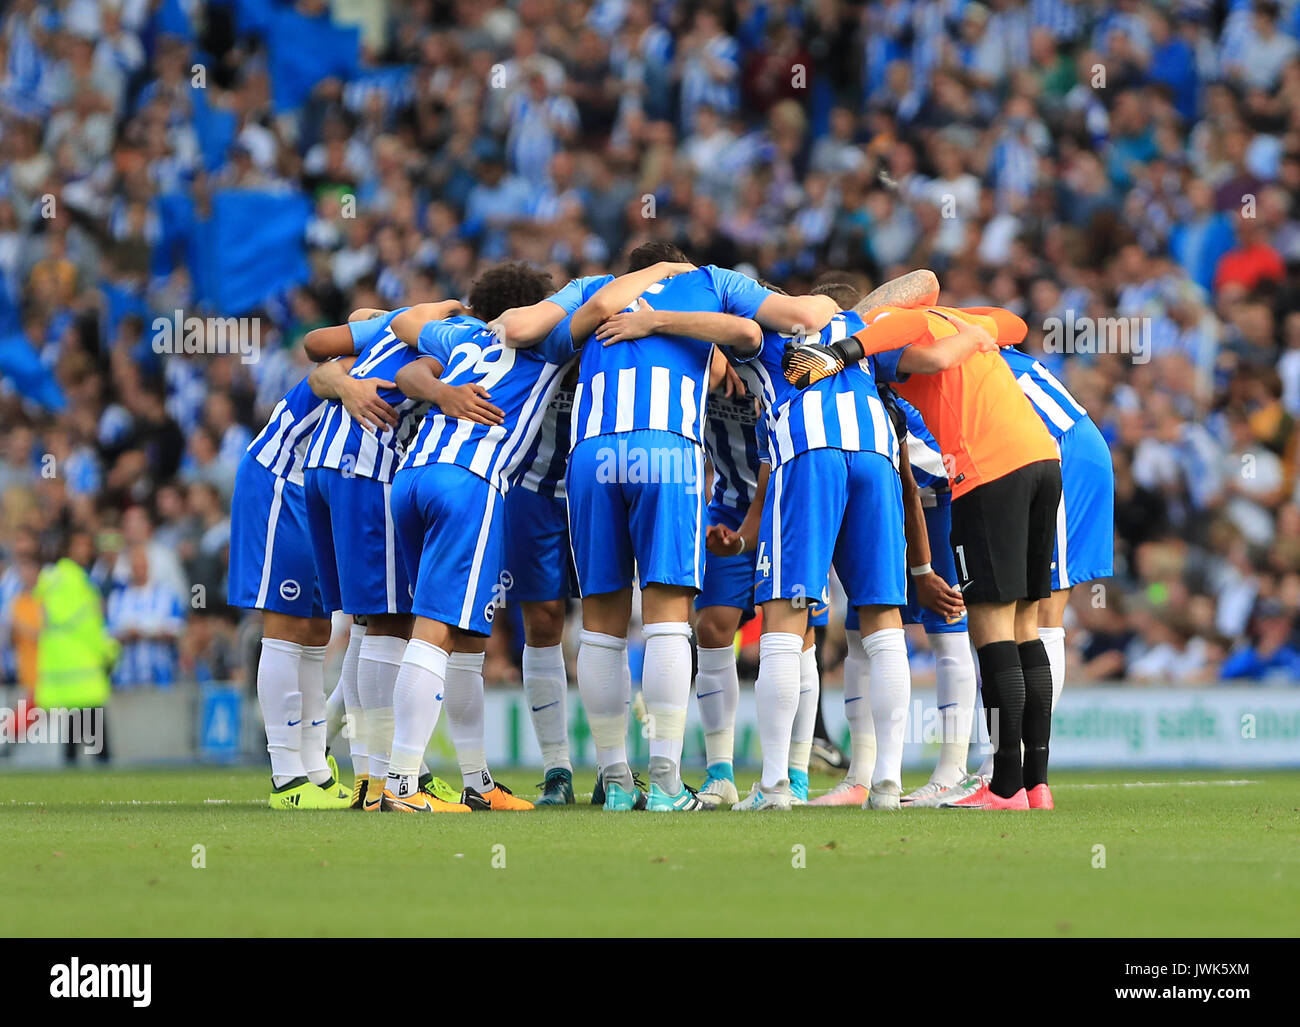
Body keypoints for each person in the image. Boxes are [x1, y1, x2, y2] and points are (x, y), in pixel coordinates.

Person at [565, 244, 838, 811]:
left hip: (606, 458)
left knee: (605, 624)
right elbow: (786, 320)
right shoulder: (710, 296)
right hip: (685, 470)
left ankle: (623, 779)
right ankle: (687, 776)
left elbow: (523, 328)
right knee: (688, 624)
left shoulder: (600, 290)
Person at [782, 300, 1063, 810]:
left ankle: (1004, 787)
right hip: (1043, 459)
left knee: (991, 627)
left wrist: (840, 351)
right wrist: (977, 334)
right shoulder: (967, 318)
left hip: (987, 472)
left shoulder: (901, 325)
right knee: (1027, 625)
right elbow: (1016, 324)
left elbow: (913, 350)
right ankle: (1035, 783)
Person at [380, 262, 622, 812]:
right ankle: (399, 783)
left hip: (413, 477)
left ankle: (475, 781)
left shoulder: (464, 335)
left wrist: (447, 331)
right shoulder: (551, 343)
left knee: (465, 636)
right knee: (435, 630)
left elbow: (403, 325)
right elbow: (599, 308)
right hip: (475, 482)